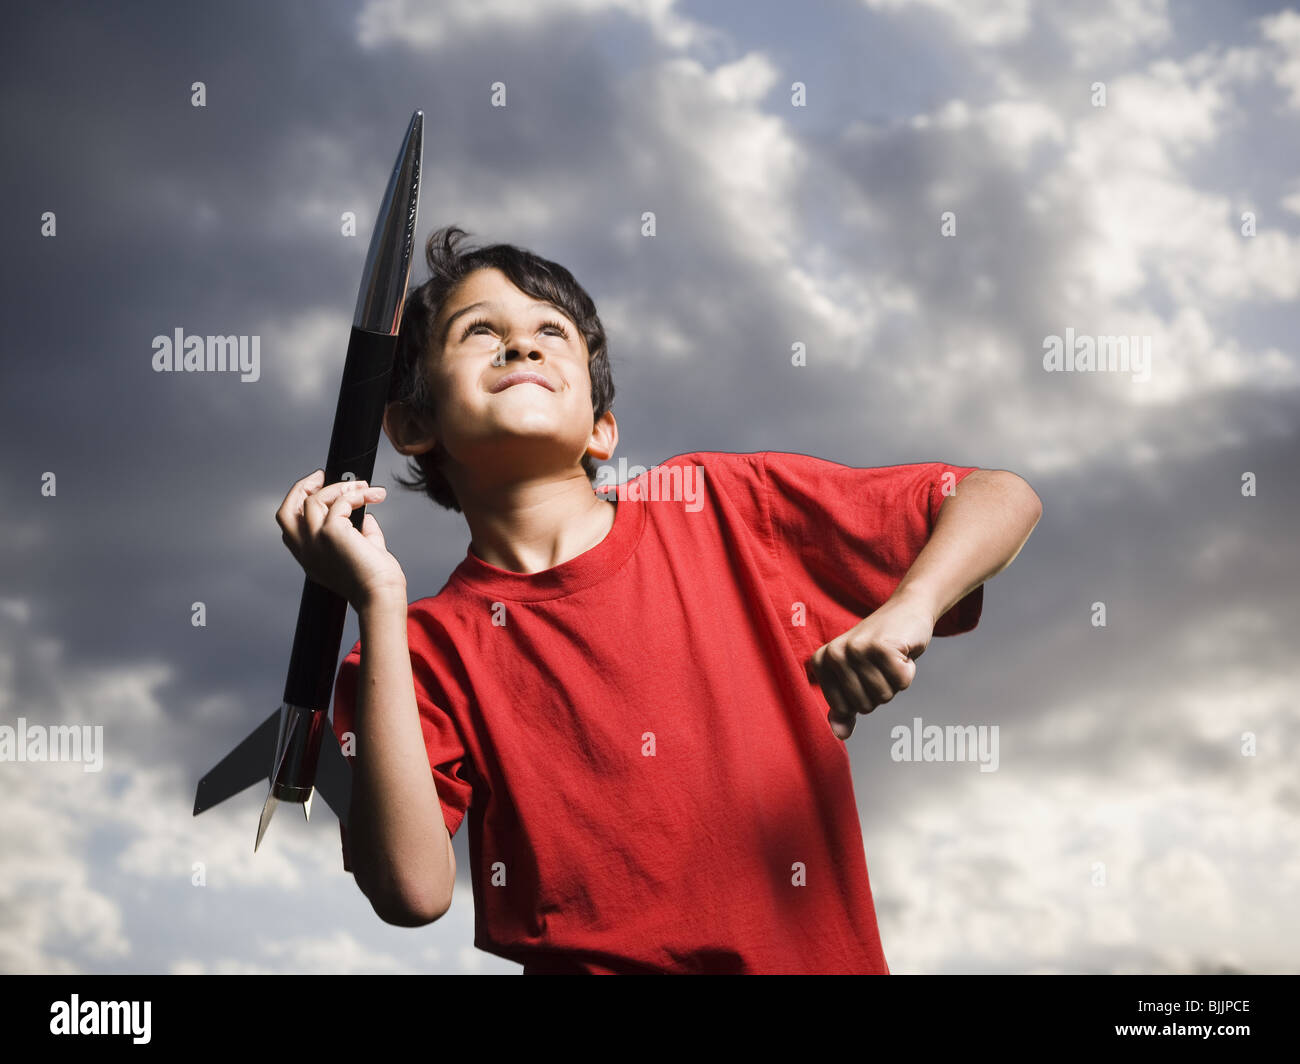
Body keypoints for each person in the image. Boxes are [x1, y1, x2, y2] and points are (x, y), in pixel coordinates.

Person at [275, 226, 1043, 974]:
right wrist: (377, 600)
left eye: (552, 331)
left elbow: (1000, 497)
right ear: (412, 426)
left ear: (602, 430)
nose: (522, 344)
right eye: (479, 332)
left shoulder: (722, 505)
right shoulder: (412, 650)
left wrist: (909, 608)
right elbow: (411, 891)